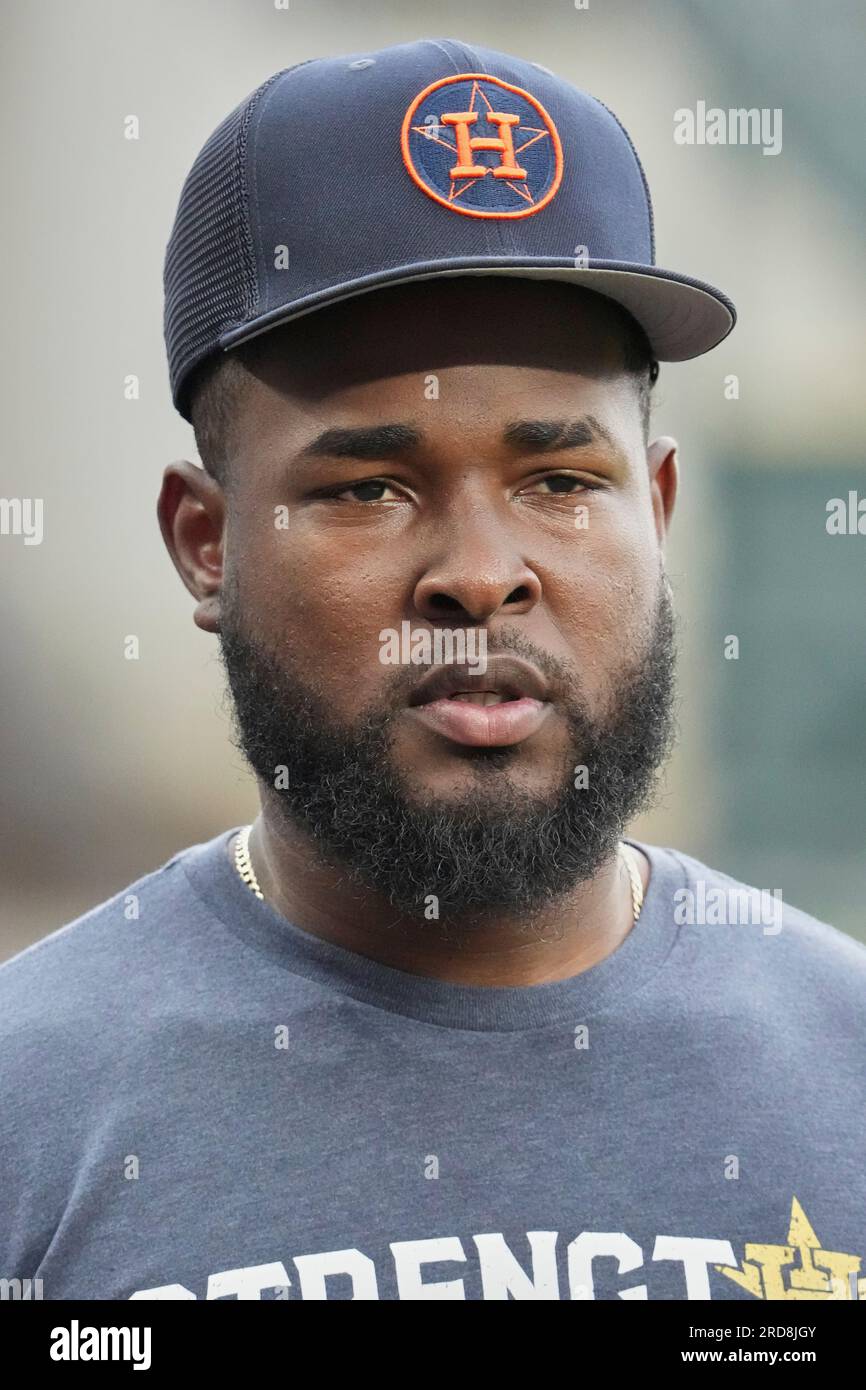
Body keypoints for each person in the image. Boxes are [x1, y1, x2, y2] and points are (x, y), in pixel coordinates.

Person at [1, 38, 864, 1303]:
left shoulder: (843, 1065)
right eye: (369, 486)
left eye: (561, 482)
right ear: (205, 545)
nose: (479, 573)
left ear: (660, 511)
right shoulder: (32, 1105)